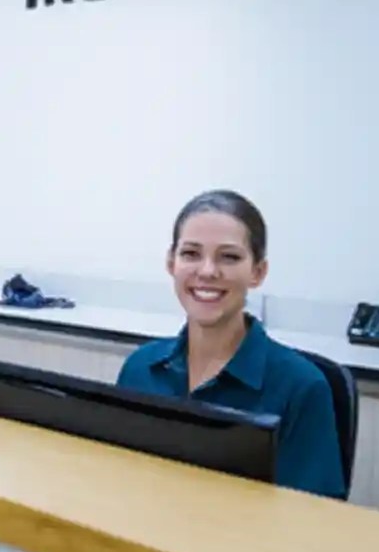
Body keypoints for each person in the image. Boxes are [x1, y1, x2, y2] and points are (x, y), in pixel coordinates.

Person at [116, 189, 345, 498]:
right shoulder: (140, 369)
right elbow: (121, 486)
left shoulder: (302, 387)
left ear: (257, 272)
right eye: (191, 254)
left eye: (229, 257)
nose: (207, 271)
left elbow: (312, 521)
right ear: (171, 263)